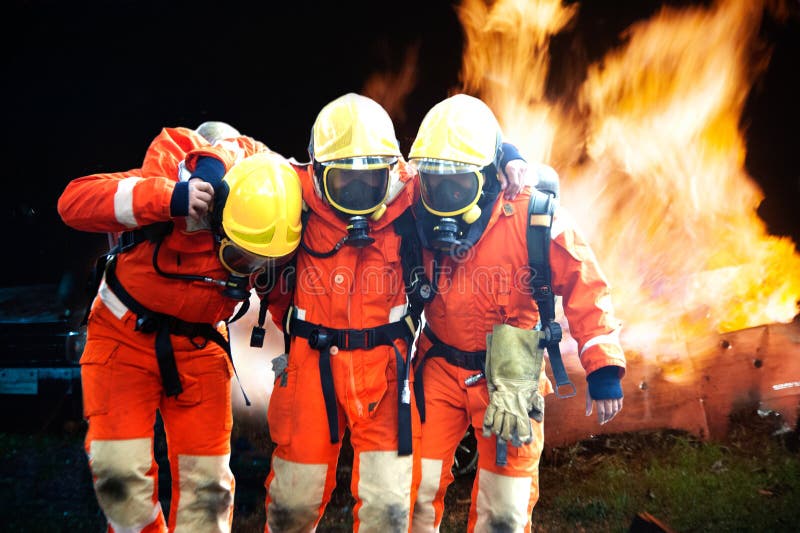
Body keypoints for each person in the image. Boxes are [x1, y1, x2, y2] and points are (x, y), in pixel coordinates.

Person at [262, 93, 529, 532]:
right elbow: (240, 155)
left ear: (389, 169)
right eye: (342, 179)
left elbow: (457, 166)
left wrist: (506, 153)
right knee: (292, 503)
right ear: (317, 170)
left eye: (368, 177)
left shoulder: (410, 194)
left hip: (384, 374)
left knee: (389, 511)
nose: (355, 188)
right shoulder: (294, 192)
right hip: (309, 369)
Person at [57, 123, 303, 533]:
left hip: (201, 347)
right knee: (121, 478)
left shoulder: (267, 215)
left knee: (207, 492)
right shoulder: (170, 188)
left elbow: (281, 300)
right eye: (241, 258)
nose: (249, 270)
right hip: (122, 337)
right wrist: (164, 199)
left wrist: (298, 358)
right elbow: (72, 202)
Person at [407, 94, 626, 532]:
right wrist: (507, 151)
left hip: (511, 370)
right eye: (436, 182)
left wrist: (603, 368)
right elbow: (370, 172)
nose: (445, 195)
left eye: (460, 184)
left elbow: (587, 285)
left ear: (488, 177)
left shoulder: (536, 217)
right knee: (410, 491)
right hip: (438, 364)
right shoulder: (414, 204)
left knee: (504, 513)